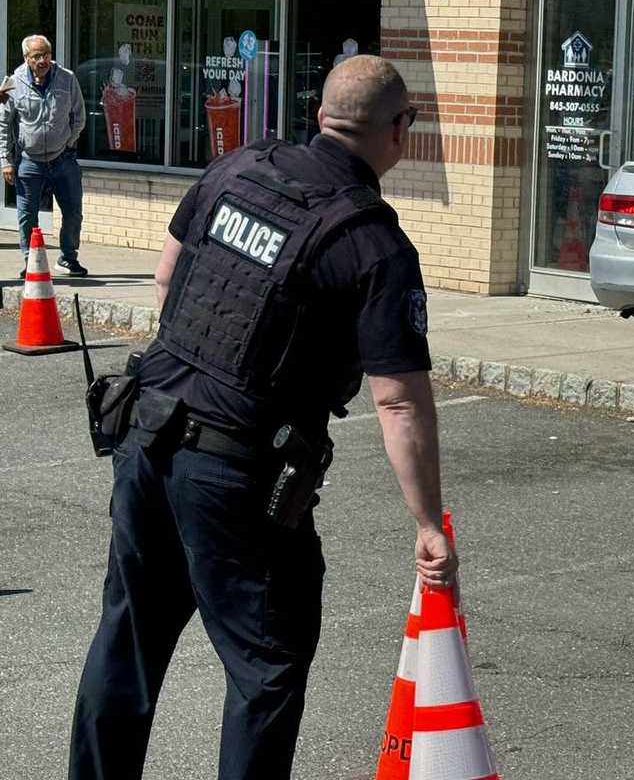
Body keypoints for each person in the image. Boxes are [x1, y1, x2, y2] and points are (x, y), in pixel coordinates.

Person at [68, 55, 457, 780]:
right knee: (266, 668)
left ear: (321, 115)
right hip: (234, 473)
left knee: (128, 641)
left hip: (147, 433)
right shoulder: (371, 241)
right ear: (399, 130)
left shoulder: (238, 167)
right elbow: (398, 398)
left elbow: (167, 277)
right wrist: (430, 523)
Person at [0, 34, 89, 278]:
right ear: (26, 58)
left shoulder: (67, 79)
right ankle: (31, 262)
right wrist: (6, 161)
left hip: (63, 159)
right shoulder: (12, 82)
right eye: (36, 56)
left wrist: (69, 141)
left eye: (46, 55)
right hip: (29, 160)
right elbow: (3, 124)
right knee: (27, 214)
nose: (42, 60)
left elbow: (79, 115)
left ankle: (68, 258)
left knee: (72, 212)